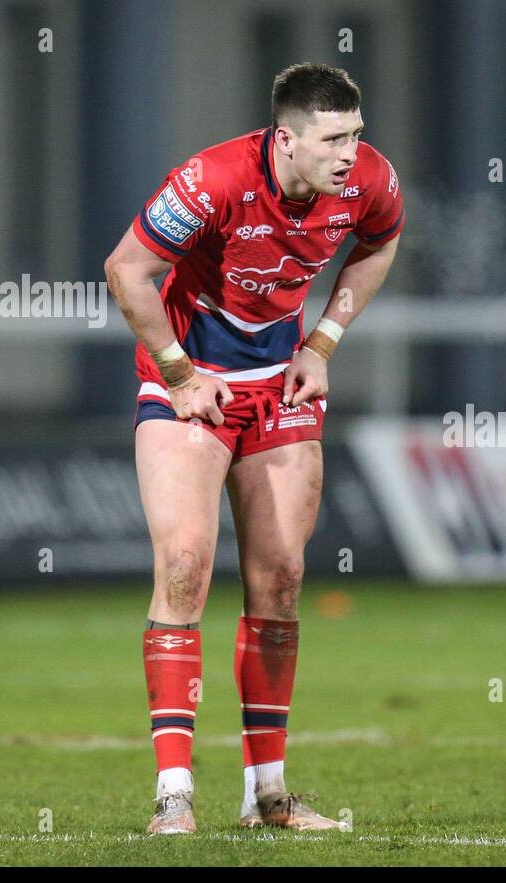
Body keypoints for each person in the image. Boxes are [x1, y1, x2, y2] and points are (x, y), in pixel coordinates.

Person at [103, 62, 404, 835]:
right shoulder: (211, 180)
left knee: (282, 577)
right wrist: (177, 373)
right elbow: (127, 270)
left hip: (280, 384)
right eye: (333, 139)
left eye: (355, 136)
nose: (349, 154)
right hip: (190, 385)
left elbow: (380, 244)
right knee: (184, 565)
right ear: (285, 139)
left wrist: (326, 342)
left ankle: (267, 796)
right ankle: (174, 796)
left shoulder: (370, 181)